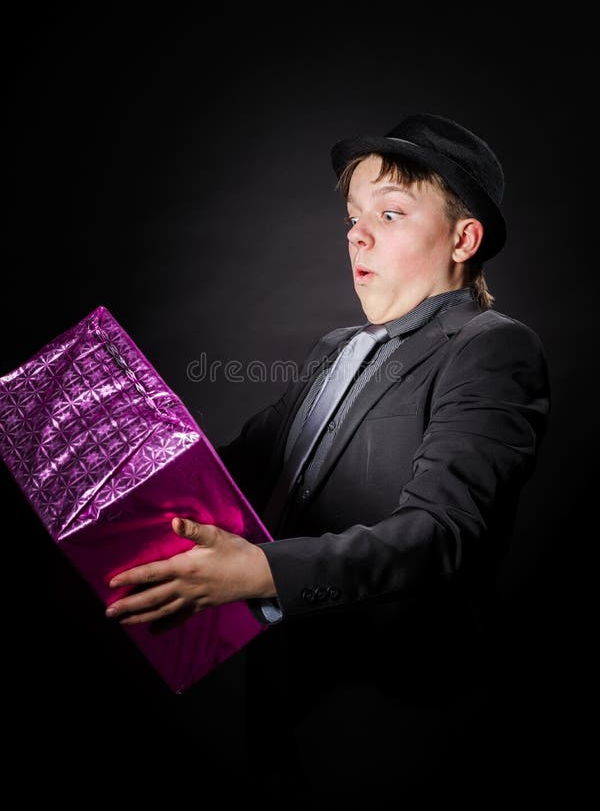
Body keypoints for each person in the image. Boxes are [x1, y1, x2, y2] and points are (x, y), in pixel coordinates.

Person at [106, 114, 550, 803]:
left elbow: (438, 537)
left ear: (464, 239)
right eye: (353, 216)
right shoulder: (337, 350)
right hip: (284, 711)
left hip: (393, 730)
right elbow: (241, 468)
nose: (357, 233)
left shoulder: (492, 348)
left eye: (391, 213)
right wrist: (113, 456)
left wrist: (262, 572)